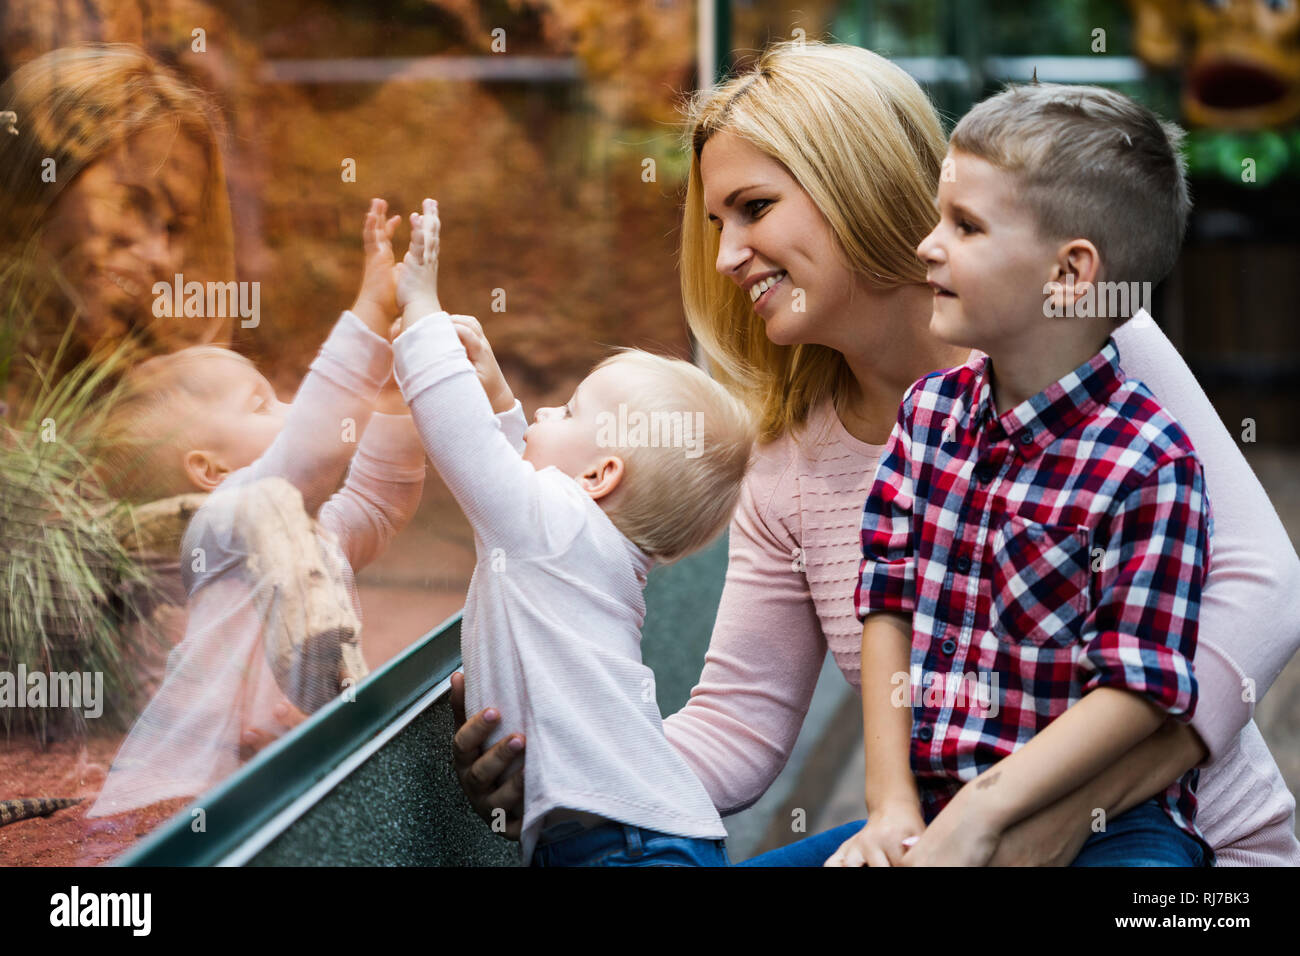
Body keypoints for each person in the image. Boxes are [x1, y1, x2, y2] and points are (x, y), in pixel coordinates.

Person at [450, 41, 1300, 866]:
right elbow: (736, 728)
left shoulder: (1069, 327)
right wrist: (570, 759)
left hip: (1186, 845)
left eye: (755, 208)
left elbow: (1266, 584)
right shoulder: (788, 461)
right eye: (715, 222)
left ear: (852, 180)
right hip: (936, 838)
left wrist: (1067, 811)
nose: (726, 256)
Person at [828, 83, 1210, 868]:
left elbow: (1142, 685)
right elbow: (887, 602)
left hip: (1107, 826)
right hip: (927, 802)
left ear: (1069, 273)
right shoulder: (927, 414)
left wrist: (985, 811)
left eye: (964, 226)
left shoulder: (1152, 463)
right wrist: (890, 805)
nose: (929, 246)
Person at [391, 199, 754, 866]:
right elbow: (514, 470)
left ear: (600, 474)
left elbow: (466, 444)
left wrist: (420, 310)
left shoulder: (554, 534)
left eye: (571, 408)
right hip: (646, 836)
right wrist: (501, 394)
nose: (545, 410)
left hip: (620, 848)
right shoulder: (583, 548)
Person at [88, 200, 425, 815]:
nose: (289, 409)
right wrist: (371, 313)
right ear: (210, 472)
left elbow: (376, 505)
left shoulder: (305, 528)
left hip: (269, 786)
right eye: (260, 405)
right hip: (183, 803)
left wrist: (393, 407)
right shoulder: (222, 525)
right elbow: (309, 452)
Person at [0, 43, 235, 392]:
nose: (162, 257)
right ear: (39, 185)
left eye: (176, 228)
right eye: (134, 203)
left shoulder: (149, 401)